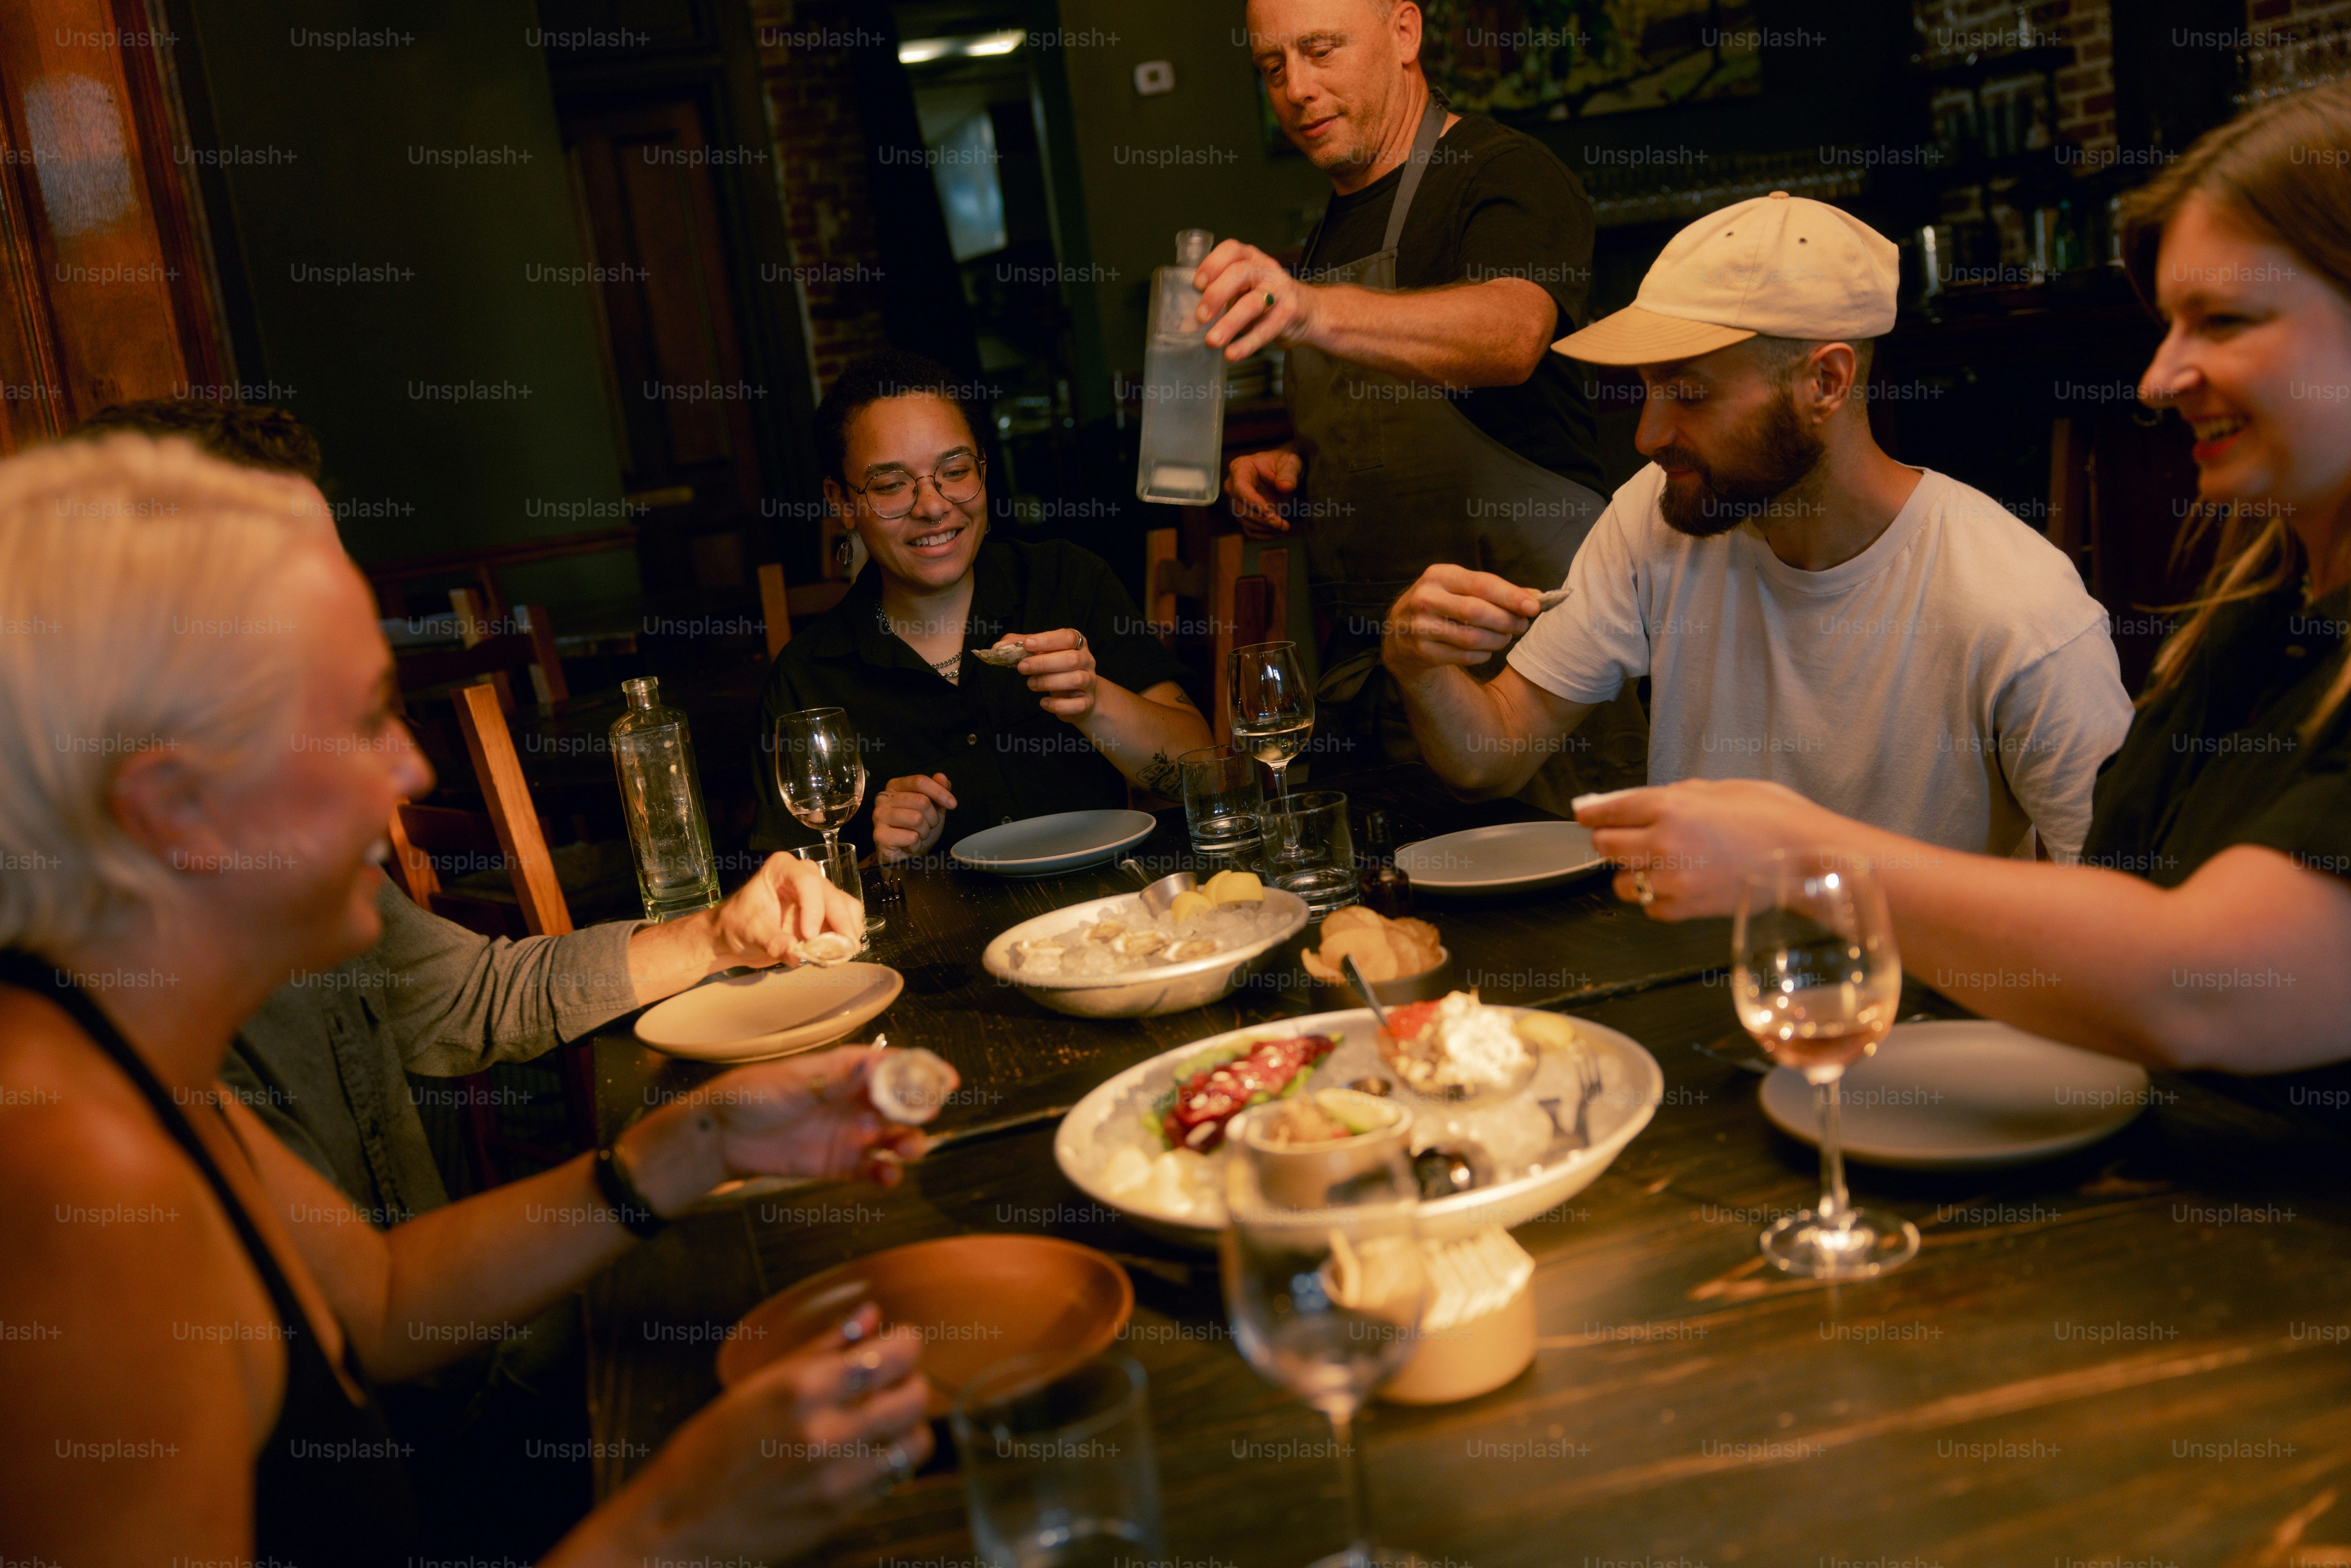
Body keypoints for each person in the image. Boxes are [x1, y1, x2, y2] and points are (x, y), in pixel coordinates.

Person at [0, 433, 941, 1564]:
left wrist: (696, 1137)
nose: (413, 773)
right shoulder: (66, 1184)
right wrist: (674, 1531)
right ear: (177, 811)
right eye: (358, 723)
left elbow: (388, 1307)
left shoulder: (109, 1046)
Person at [1572, 82, 2351, 1075]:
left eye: (2226, 320)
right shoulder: (2252, 618)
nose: (2158, 379)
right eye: (2167, 327)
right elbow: (2113, 903)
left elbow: (2200, 991)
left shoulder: (2018, 593)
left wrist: (1800, 853)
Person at [65, 400, 864, 1226]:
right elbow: (372, 1316)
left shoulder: (288, 857)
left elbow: (465, 999)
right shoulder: (108, 1038)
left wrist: (714, 937)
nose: (409, 771)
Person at [1381, 191, 2136, 860]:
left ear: (1825, 383)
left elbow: (2121, 921)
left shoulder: (2018, 608)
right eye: (1648, 390)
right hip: (1705, 986)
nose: (1646, 436)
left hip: (1919, 1012)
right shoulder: (1654, 517)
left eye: (1689, 393)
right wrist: (1420, 667)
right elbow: (1491, 755)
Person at [1201, 0, 1646, 813]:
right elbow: (1383, 416)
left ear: (1404, 34)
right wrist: (1305, 463)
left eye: (1321, 50)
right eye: (1272, 67)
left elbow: (1512, 336)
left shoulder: (1501, 171)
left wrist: (1307, 310)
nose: (1296, 88)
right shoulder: (1331, 229)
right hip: (1384, 689)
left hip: (1532, 678)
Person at [753, 350, 1210, 862]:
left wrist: (1095, 702)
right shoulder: (807, 680)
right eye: (889, 486)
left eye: (955, 471)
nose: (932, 506)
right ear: (842, 502)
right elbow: (788, 905)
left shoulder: (1065, 581)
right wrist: (884, 862)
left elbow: (1205, 773)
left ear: (984, 470)